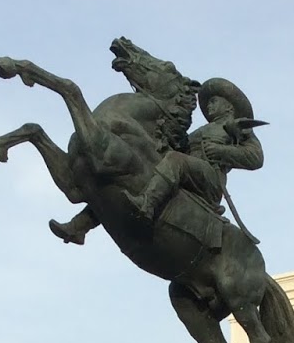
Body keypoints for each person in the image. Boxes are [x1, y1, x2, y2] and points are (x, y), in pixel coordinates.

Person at [51, 77, 264, 246]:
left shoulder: (238, 126)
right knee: (135, 175)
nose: (209, 106)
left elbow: (256, 158)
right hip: (188, 175)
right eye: (208, 102)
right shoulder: (202, 130)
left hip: (209, 180)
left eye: (214, 101)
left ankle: (147, 204)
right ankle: (80, 226)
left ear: (229, 107)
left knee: (174, 160)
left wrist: (221, 150)